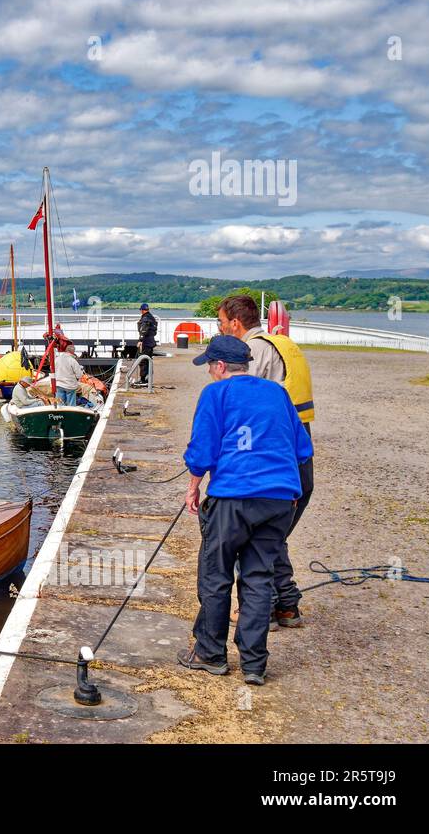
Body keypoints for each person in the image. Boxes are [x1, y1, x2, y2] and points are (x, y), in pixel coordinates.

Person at [179, 335, 313, 686]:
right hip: (279, 499)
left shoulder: (216, 393)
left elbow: (202, 451)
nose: (208, 371)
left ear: (221, 366)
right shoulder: (277, 393)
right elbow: (302, 448)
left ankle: (210, 653)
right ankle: (254, 664)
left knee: (216, 574)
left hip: (234, 497)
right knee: (258, 577)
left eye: (209, 365)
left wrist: (193, 488)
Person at [217, 294, 315, 628]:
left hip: (271, 458)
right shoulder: (285, 344)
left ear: (235, 323)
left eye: (220, 322)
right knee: (273, 536)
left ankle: (260, 610)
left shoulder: (254, 350)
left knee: (252, 537)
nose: (220, 329)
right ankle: (287, 605)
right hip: (296, 451)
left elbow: (245, 401)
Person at [53, 342, 107, 407]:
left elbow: (52, 369)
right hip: (69, 386)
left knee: (59, 404)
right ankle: (70, 413)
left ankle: (59, 414)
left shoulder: (57, 359)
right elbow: (79, 375)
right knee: (71, 405)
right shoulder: (72, 360)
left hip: (59, 384)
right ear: (72, 352)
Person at [137, 303, 158, 384]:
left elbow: (144, 330)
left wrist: (140, 340)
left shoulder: (145, 318)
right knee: (148, 360)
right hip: (150, 341)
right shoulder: (151, 317)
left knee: (143, 360)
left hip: (146, 342)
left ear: (142, 310)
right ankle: (147, 378)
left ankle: (143, 380)